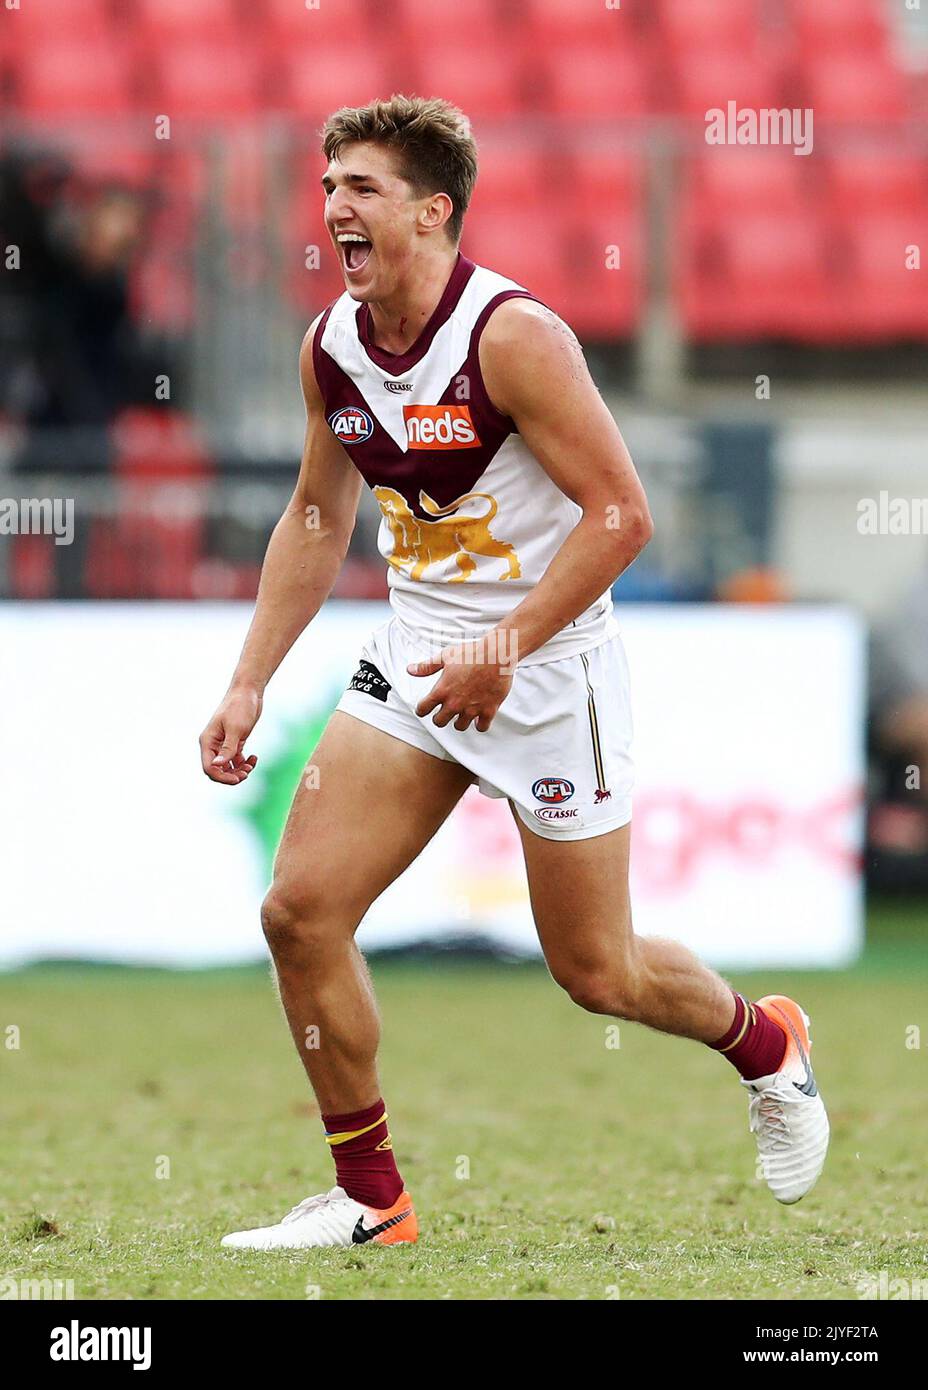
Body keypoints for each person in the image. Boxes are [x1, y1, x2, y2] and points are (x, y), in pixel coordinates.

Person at [200, 96, 828, 1250]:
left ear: (433, 210)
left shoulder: (512, 336)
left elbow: (622, 514)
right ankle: (372, 1201)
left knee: (598, 972)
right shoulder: (330, 344)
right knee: (299, 911)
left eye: (365, 187)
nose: (335, 205)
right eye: (331, 182)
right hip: (417, 665)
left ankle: (766, 1043)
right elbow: (312, 513)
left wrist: (507, 646)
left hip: (549, 674)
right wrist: (248, 680)